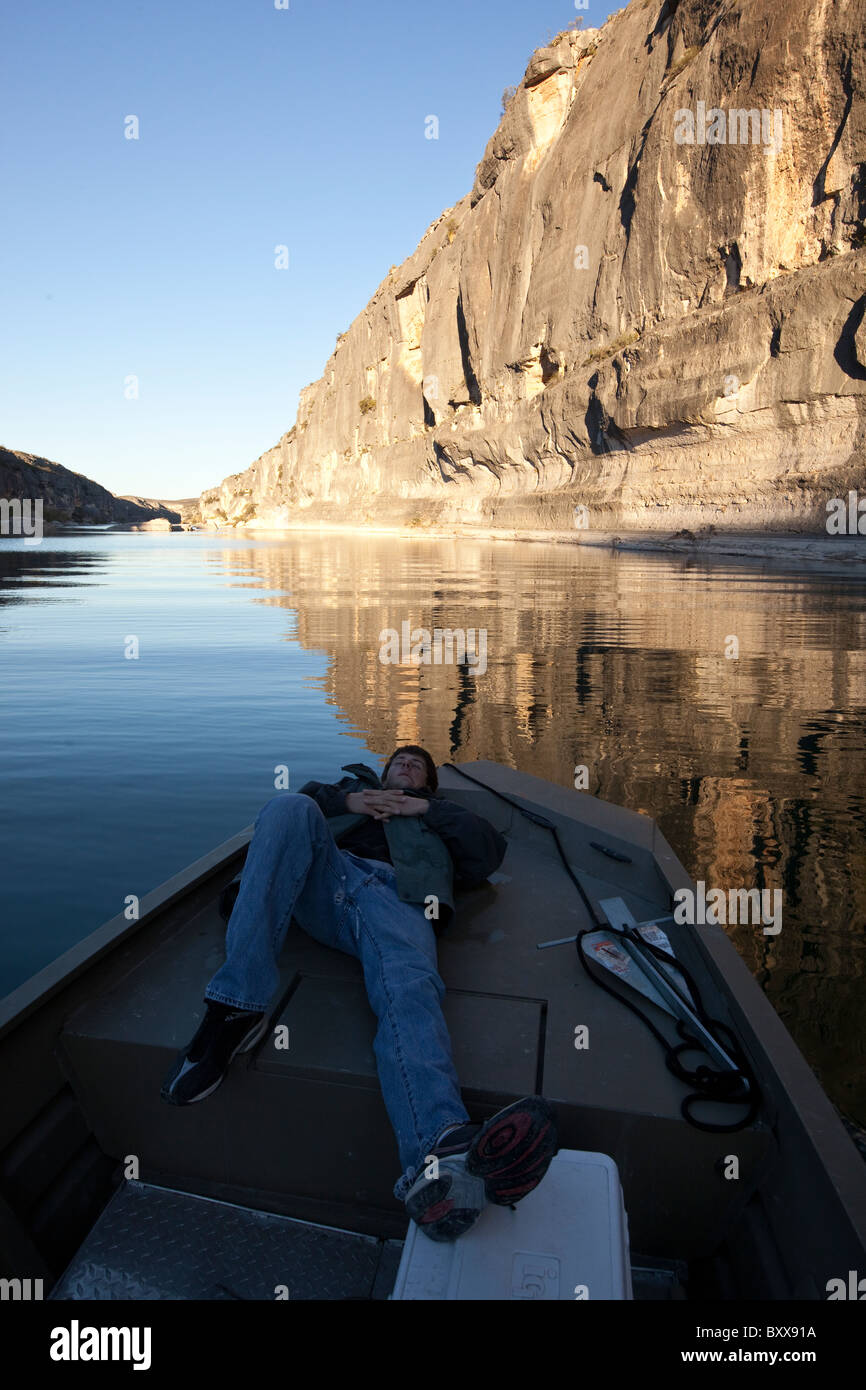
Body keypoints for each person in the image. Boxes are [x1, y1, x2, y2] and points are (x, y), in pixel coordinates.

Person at [161, 745, 558, 1241]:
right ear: (383, 771)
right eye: (400, 762)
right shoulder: (347, 792)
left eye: (418, 767)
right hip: (327, 880)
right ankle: (236, 1009)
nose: (407, 767)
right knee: (289, 806)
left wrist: (425, 809)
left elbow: (486, 854)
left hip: (401, 899)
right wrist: (353, 803)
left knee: (410, 987)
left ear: (428, 784)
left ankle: (438, 1156)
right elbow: (289, 821)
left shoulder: (444, 815)